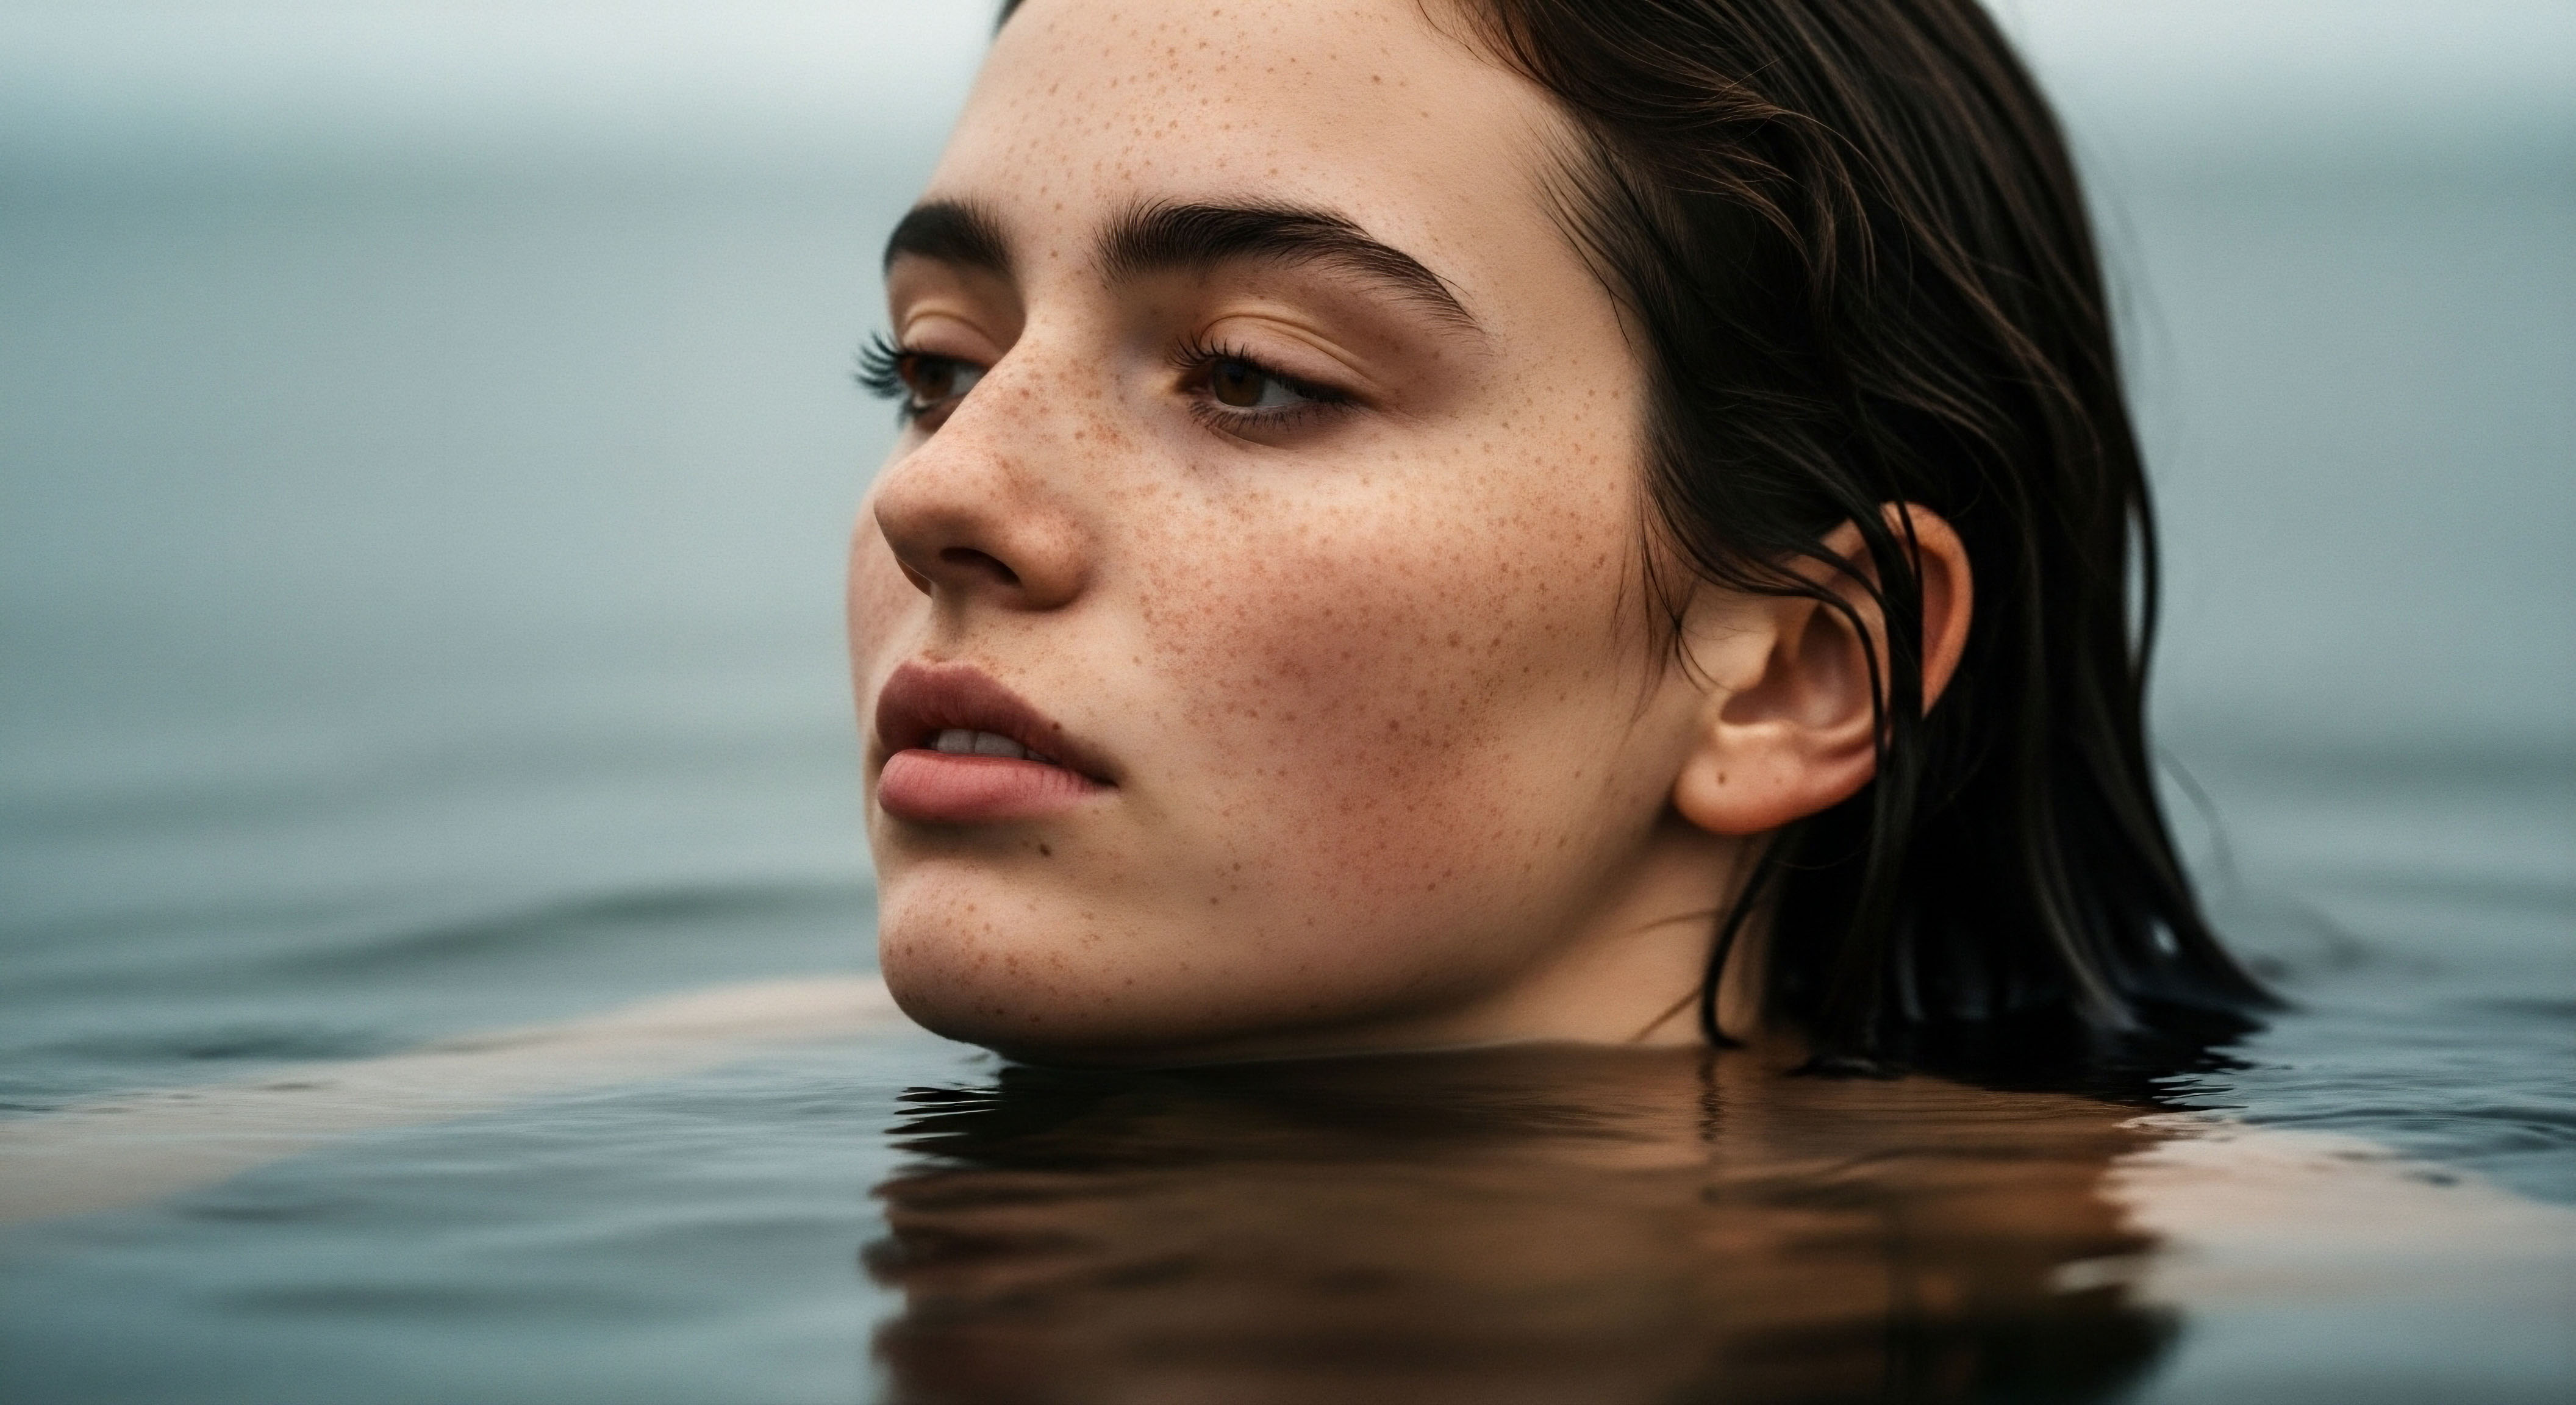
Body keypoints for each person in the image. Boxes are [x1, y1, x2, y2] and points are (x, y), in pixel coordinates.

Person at [849, 0, 2270, 1074]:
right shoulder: (679, 1065)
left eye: (1252, 375)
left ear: (1801, 673)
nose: (938, 495)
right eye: (938, 367)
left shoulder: (2311, 1288)